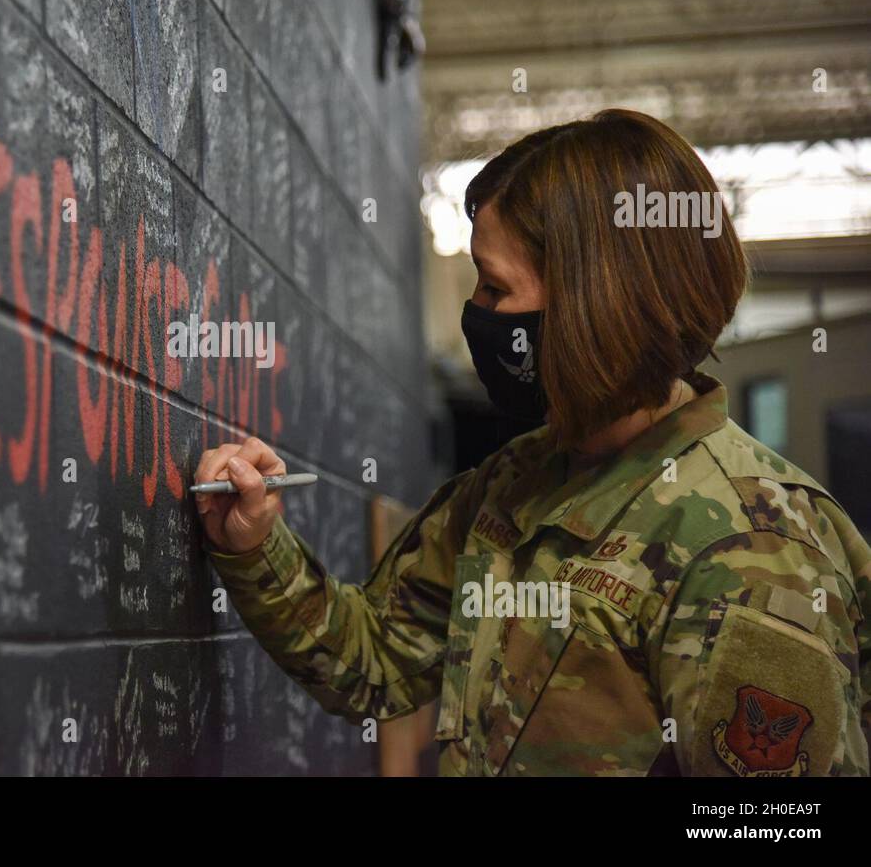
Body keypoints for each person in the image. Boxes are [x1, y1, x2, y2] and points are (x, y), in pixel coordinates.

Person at [194, 109, 870, 777]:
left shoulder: (753, 548)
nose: (478, 314)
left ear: (593, 305)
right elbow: (374, 662)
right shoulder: (514, 482)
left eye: (495, 287)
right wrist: (254, 545)